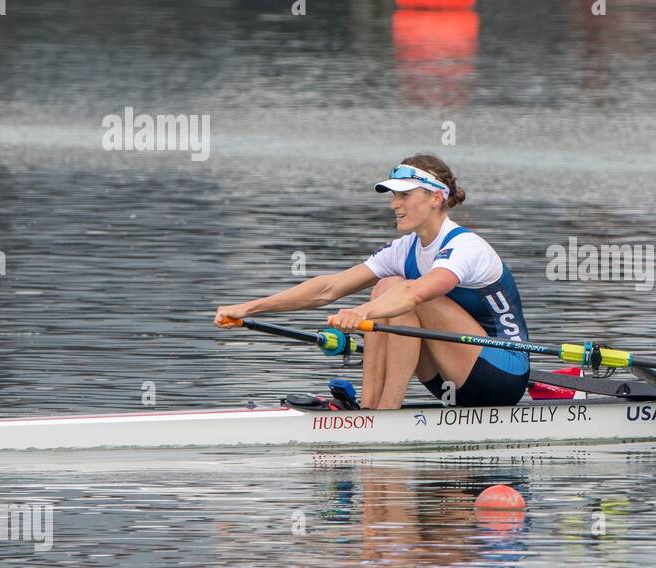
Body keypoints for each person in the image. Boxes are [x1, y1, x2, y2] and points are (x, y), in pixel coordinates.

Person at [215, 154, 530, 409]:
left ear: (435, 198)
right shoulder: (405, 249)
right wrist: (249, 308)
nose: (394, 204)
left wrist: (364, 312)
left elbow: (417, 294)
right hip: (448, 380)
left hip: (501, 373)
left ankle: (385, 413)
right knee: (387, 285)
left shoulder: (465, 246)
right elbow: (329, 288)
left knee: (401, 293)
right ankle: (370, 410)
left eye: (405, 195)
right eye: (394, 195)